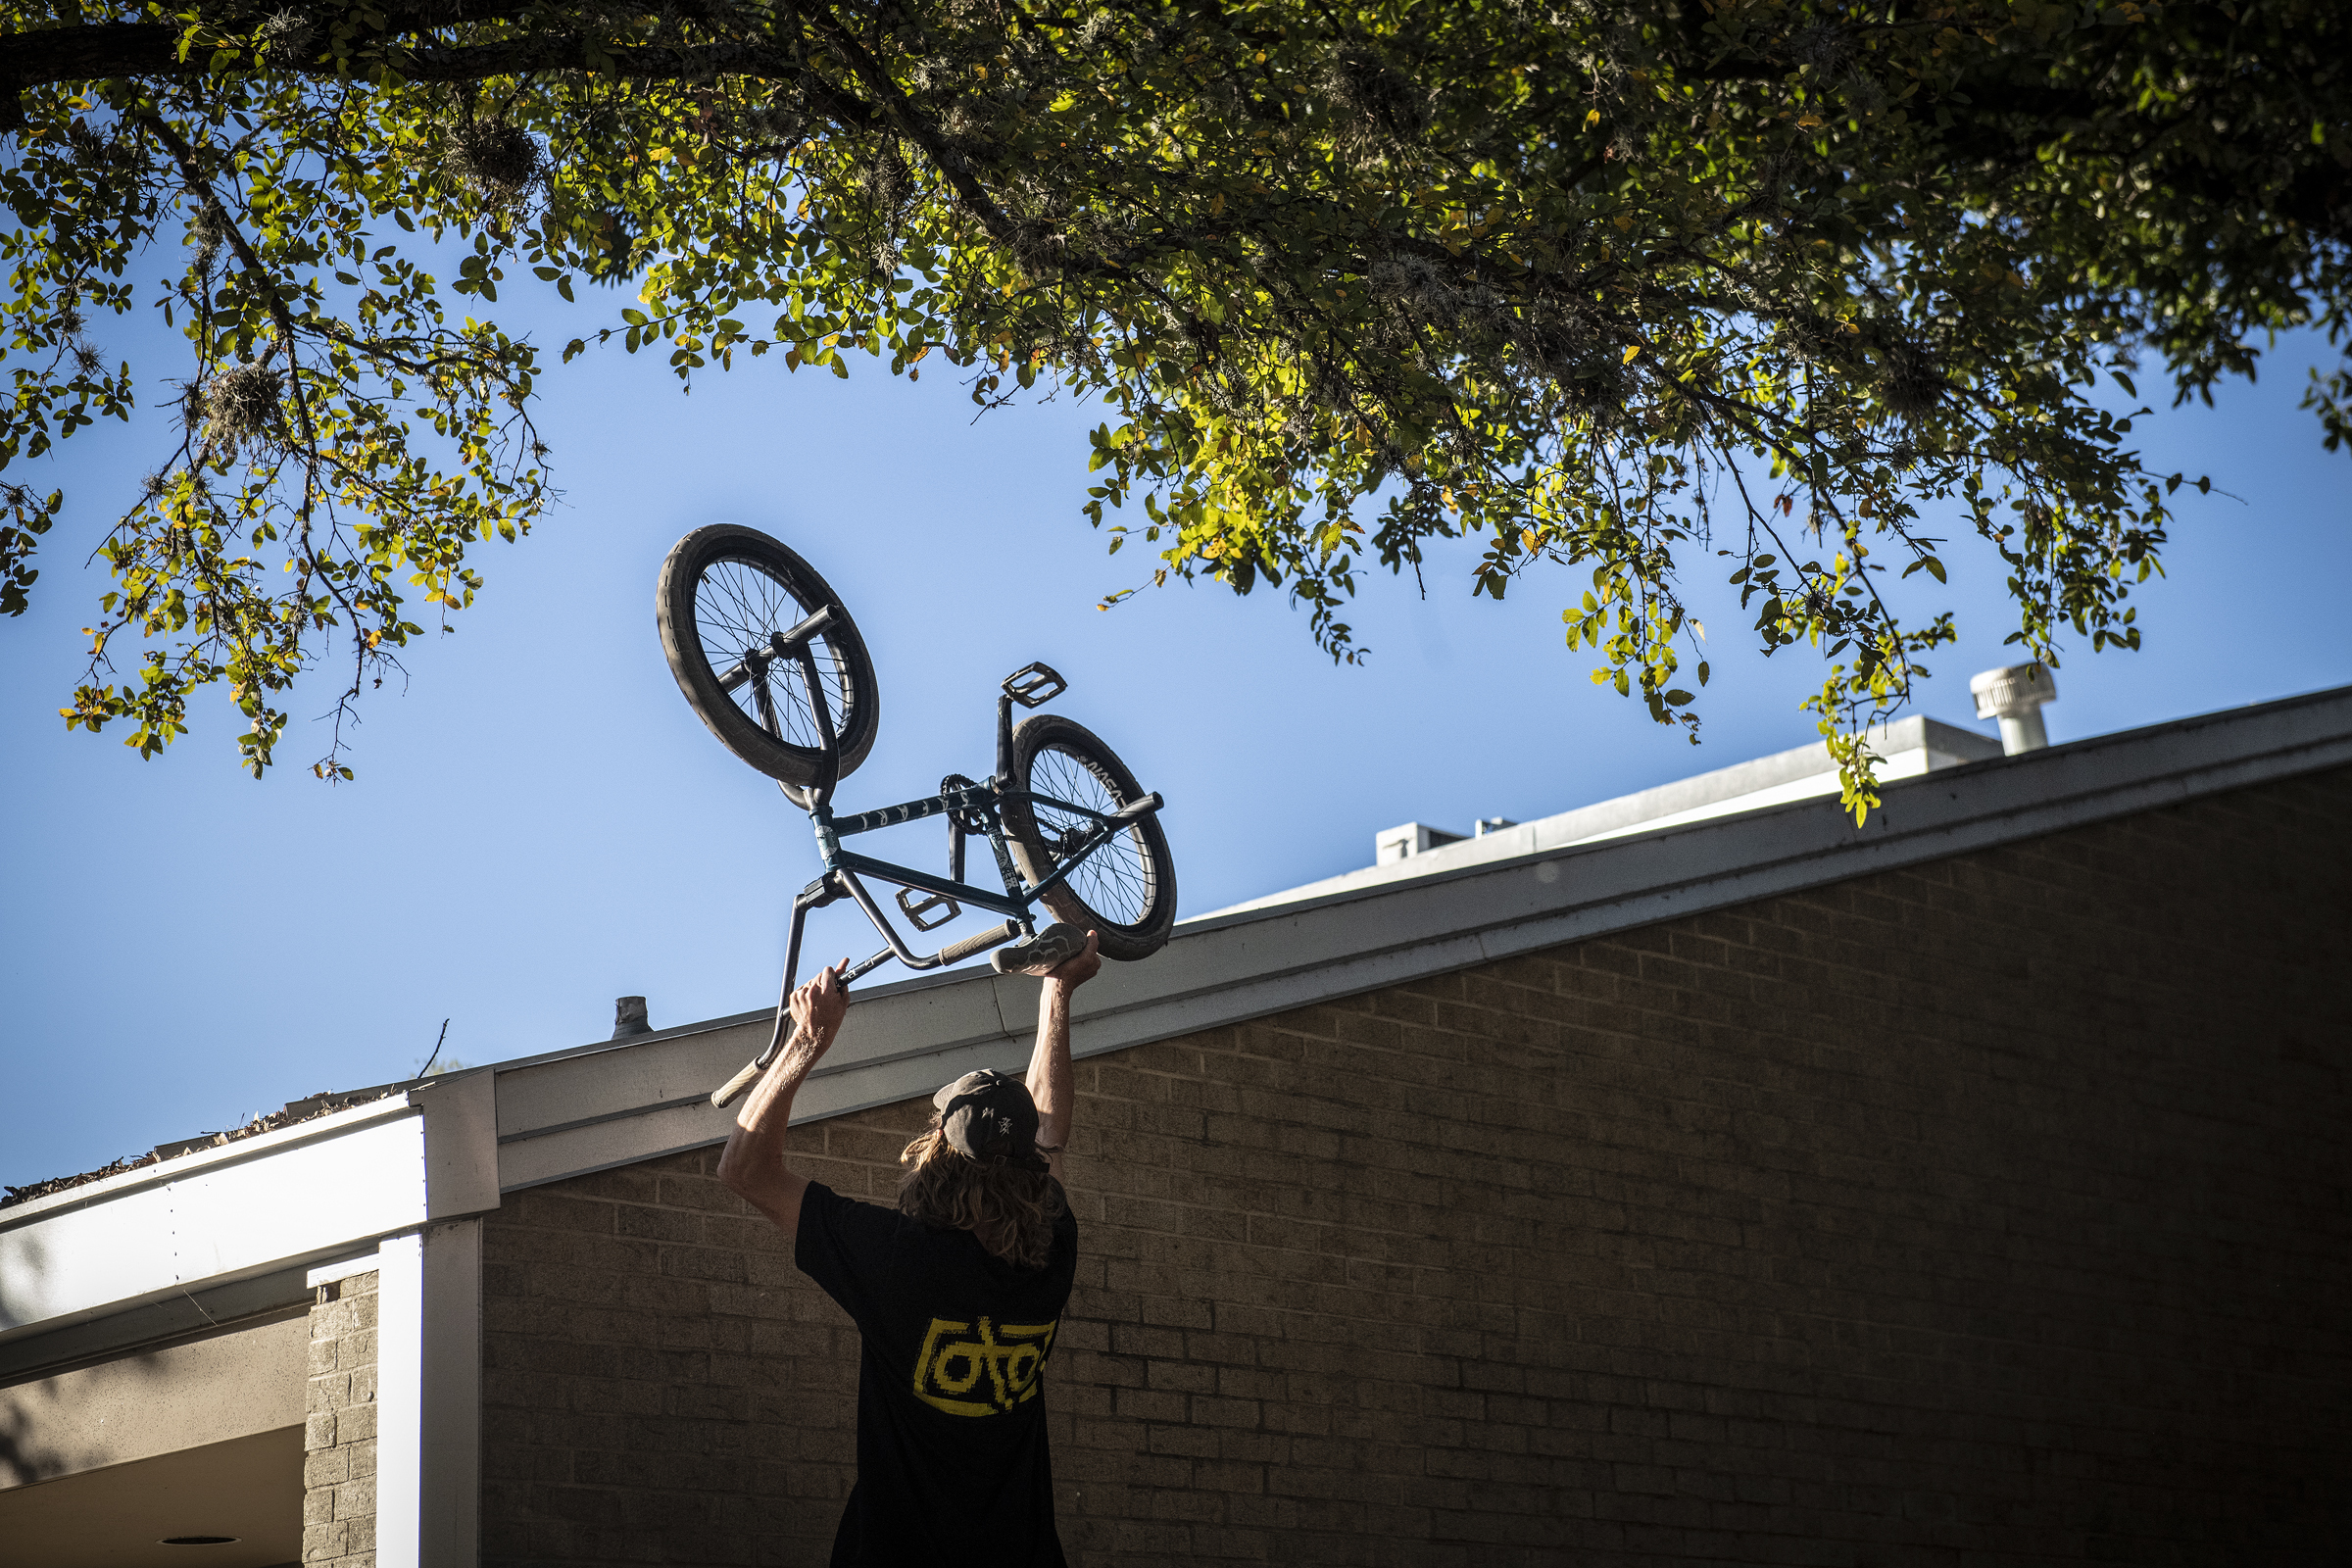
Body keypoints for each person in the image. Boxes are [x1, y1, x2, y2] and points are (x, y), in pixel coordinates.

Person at [717, 923, 1102, 1568]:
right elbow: (1051, 1133)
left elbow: (744, 1171)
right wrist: (1057, 993)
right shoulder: (1048, 1252)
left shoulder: (898, 1261)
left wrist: (808, 1040)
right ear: (1025, 1171)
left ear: (935, 1159)